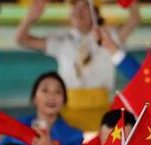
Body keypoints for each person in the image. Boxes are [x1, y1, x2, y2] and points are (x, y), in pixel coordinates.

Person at [14, 0, 141, 131]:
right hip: (68, 114)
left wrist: (128, 2)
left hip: (101, 112)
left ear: (96, 14)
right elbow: (22, 40)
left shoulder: (110, 37)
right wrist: (30, 17)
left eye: (85, 6)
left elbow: (134, 20)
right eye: (75, 6)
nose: (78, 11)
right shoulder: (62, 41)